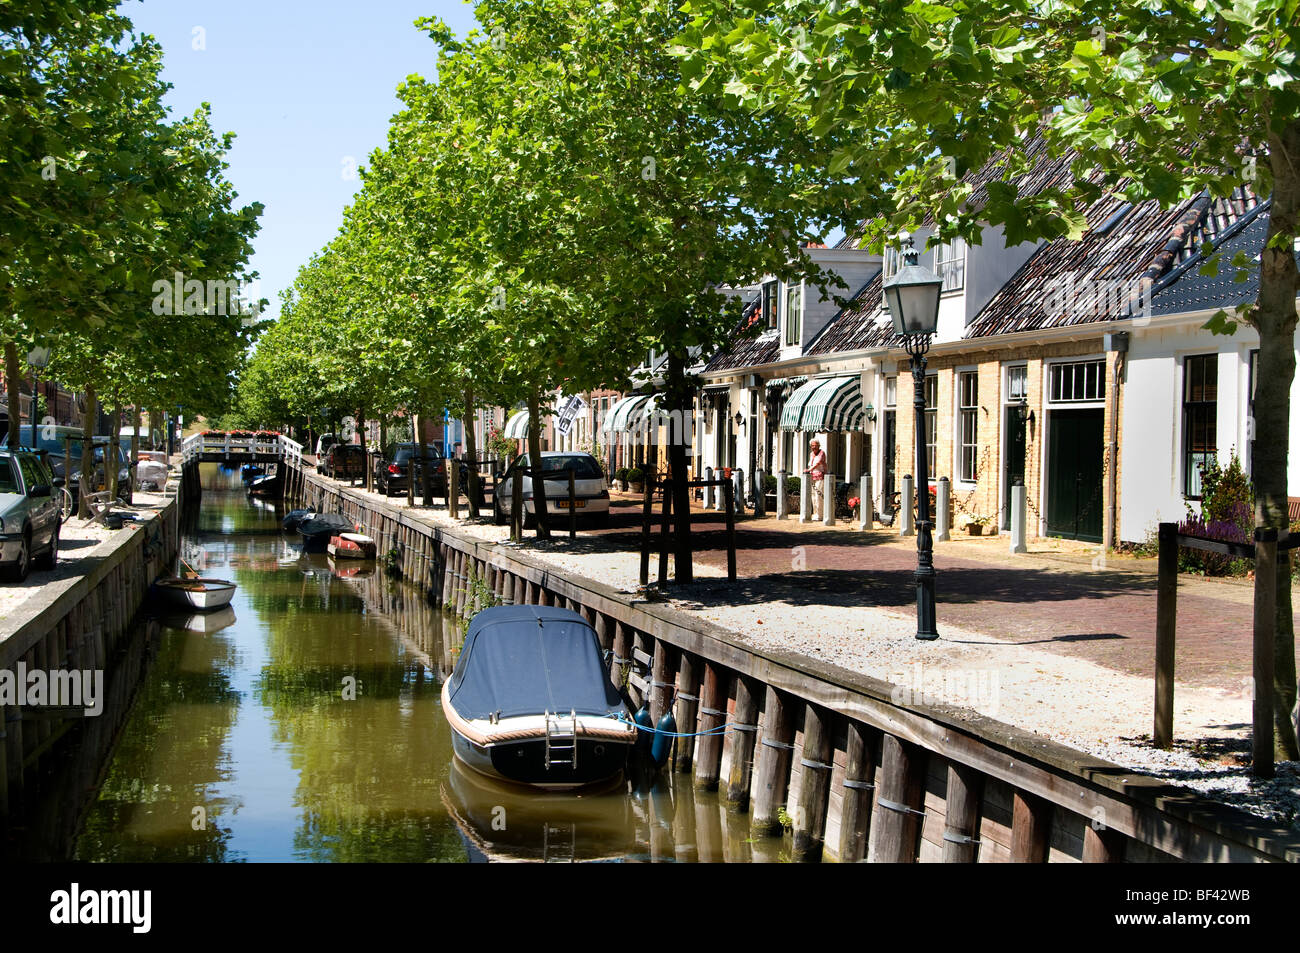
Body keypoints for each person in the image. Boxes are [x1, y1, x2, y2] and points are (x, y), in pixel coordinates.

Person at [804, 438, 827, 518]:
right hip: (812, 477)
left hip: (820, 476)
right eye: (813, 446)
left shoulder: (822, 453)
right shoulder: (811, 454)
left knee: (818, 496)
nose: (814, 447)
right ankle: (815, 513)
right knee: (813, 496)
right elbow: (810, 464)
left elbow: (818, 463)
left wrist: (809, 469)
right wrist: (808, 470)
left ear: (819, 446)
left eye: (816, 445)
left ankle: (820, 515)